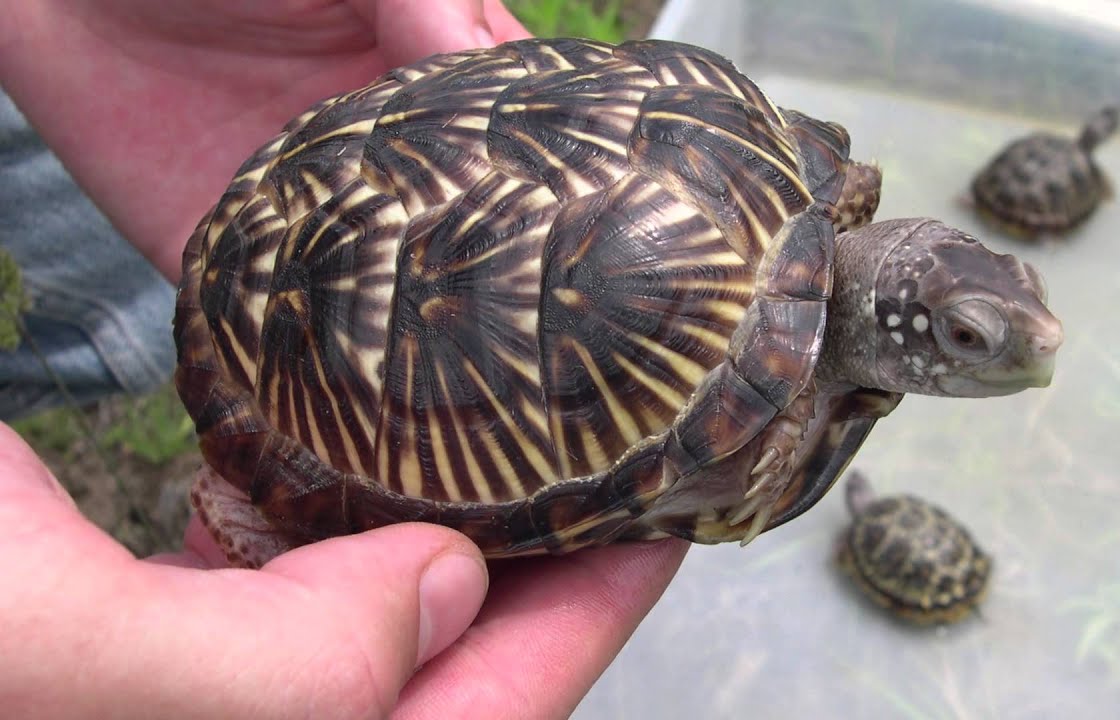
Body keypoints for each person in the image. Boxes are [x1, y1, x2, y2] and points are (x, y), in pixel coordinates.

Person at [0, 2, 689, 718]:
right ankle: (263, 510)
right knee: (129, 321)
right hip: (327, 341)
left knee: (132, 318)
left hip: (312, 191)